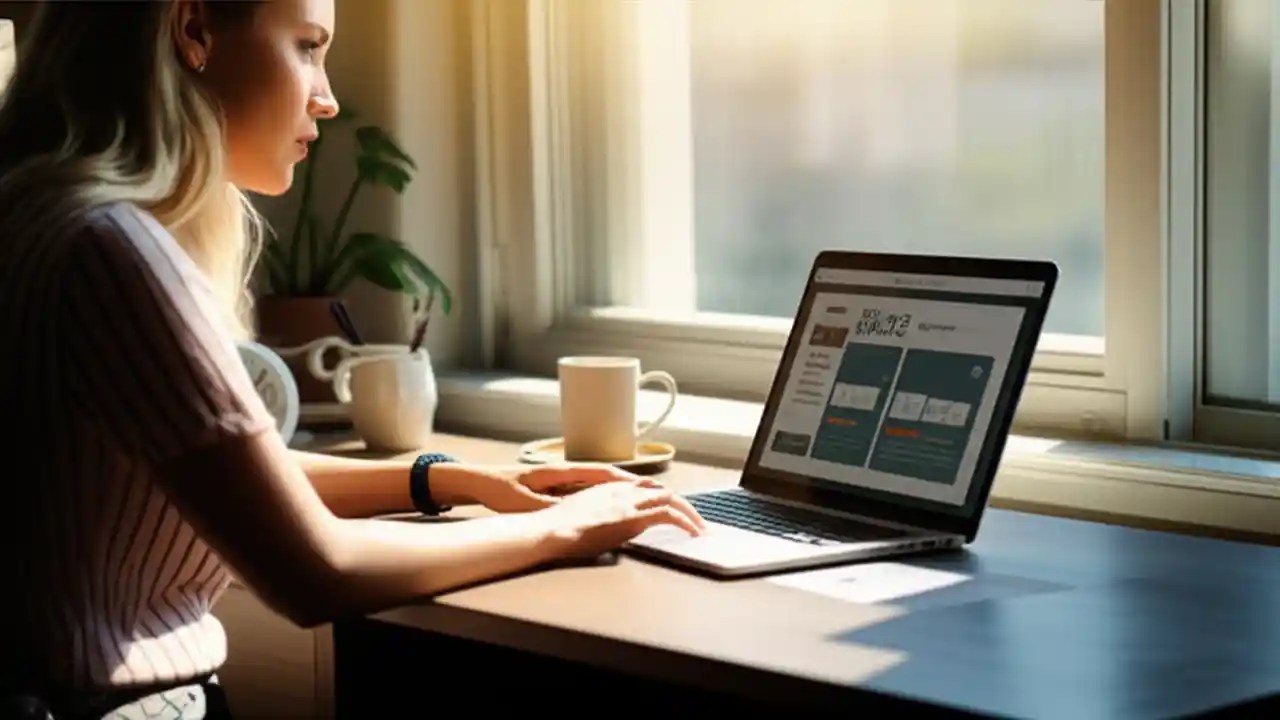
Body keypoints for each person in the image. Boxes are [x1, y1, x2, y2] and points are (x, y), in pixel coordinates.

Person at [0, 1, 706, 718]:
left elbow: (216, 475)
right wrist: (565, 527)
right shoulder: (113, 250)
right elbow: (315, 571)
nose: (327, 96)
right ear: (193, 31)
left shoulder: (42, 221)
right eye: (307, 46)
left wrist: (456, 479)